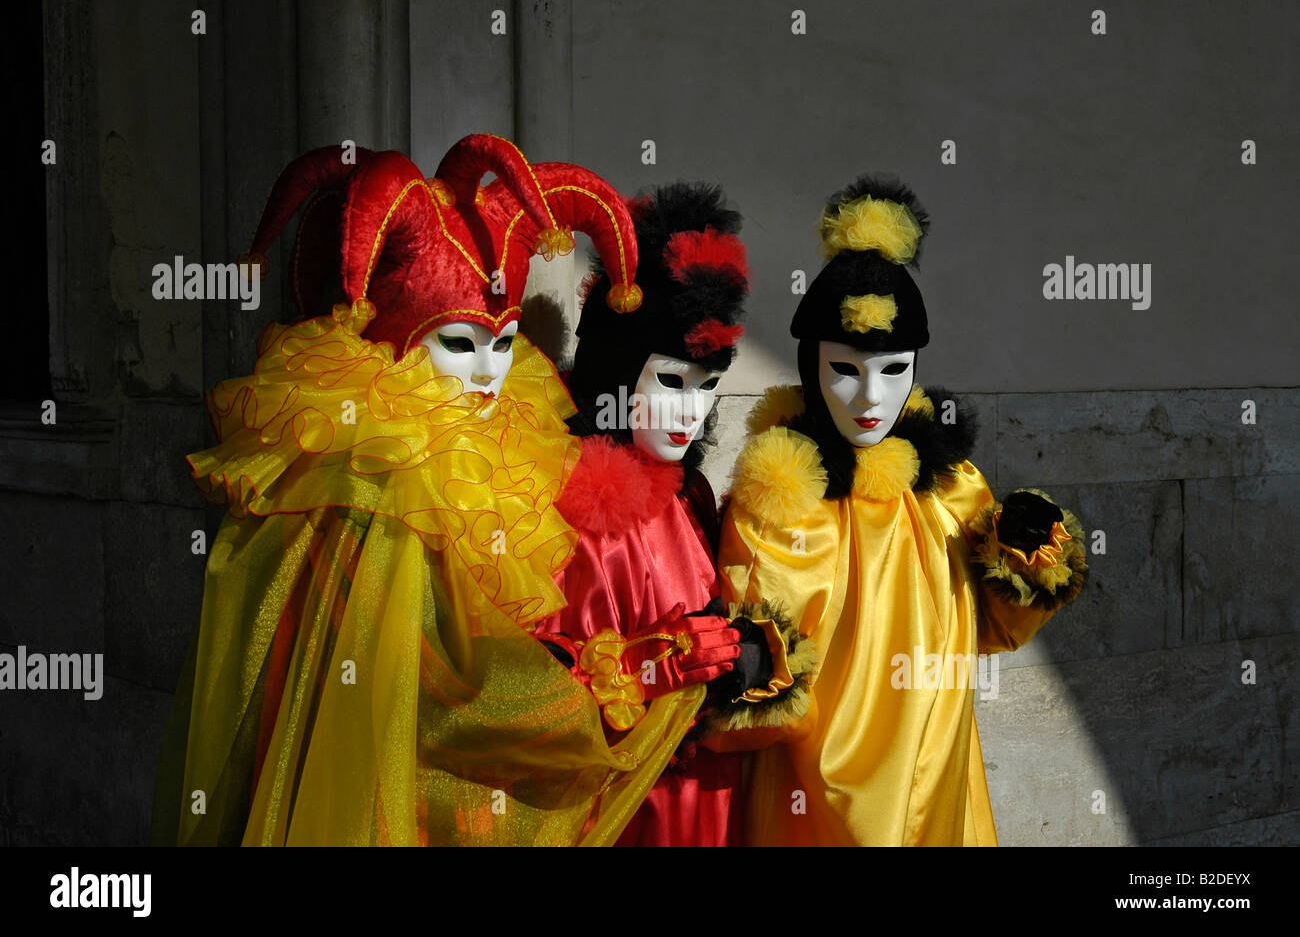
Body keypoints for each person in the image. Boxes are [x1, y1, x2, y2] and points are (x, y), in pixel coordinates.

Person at [153, 135, 703, 845]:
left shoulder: (501, 452)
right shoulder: (374, 473)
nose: (488, 375)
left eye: (503, 345)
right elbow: (444, 695)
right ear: (398, 340)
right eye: (460, 343)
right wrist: (636, 675)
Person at [714, 175, 1088, 846]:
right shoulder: (778, 506)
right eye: (844, 369)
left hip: (939, 786)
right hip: (814, 809)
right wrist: (750, 668)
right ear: (810, 365)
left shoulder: (949, 490)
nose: (869, 396)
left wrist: (1024, 554)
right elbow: (760, 705)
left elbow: (995, 629)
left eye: (892, 370)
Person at [532, 182, 814, 846]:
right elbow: (522, 694)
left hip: (709, 808)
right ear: (616, 372)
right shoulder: (555, 509)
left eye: (706, 387)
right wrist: (652, 668)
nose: (690, 412)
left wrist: (748, 661)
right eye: (670, 382)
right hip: (622, 813)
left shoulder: (693, 498)